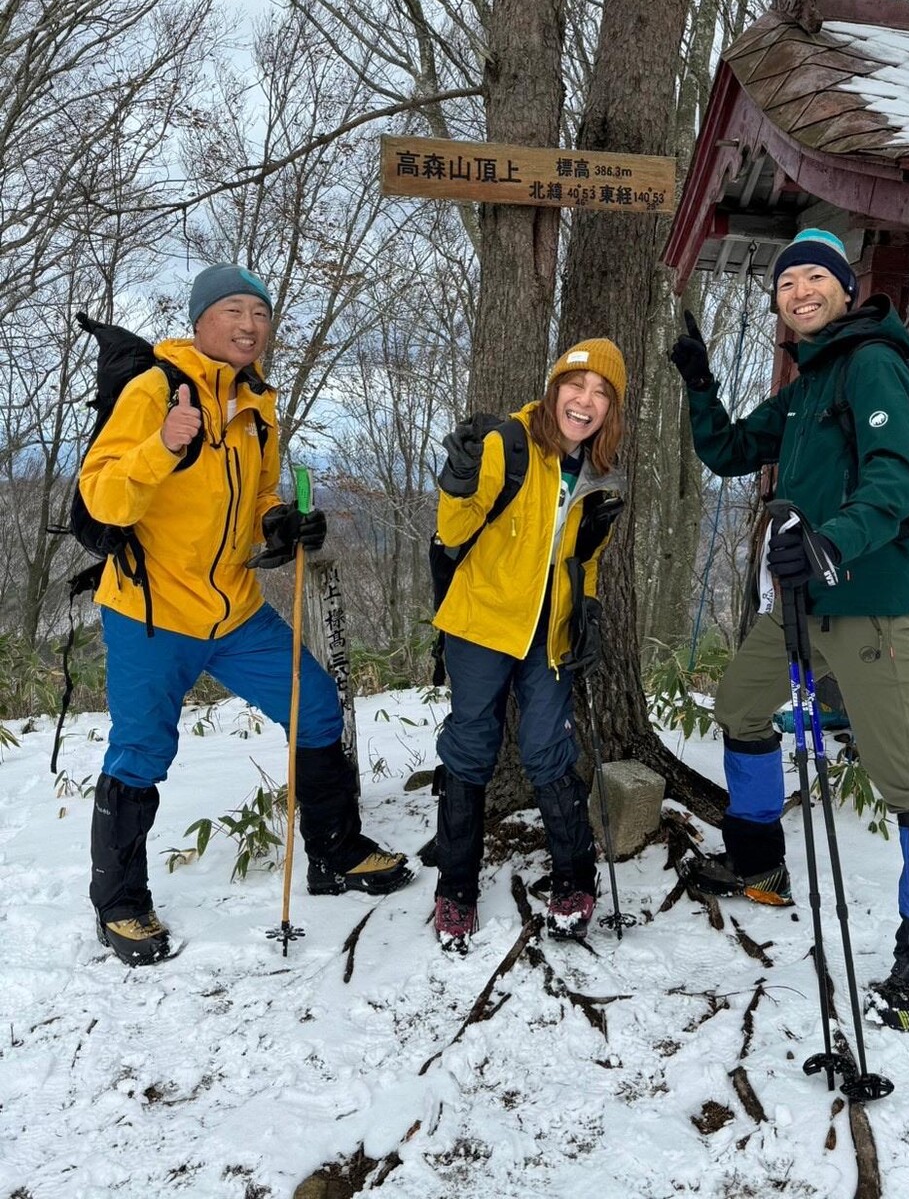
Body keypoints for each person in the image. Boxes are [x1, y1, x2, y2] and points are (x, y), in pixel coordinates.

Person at [669, 229, 909, 1032]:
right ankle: (760, 861)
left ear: (843, 288)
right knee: (739, 705)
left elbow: (896, 478)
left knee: (906, 777)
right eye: (787, 280)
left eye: (814, 277)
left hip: (867, 599)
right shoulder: (809, 382)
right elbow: (728, 452)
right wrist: (700, 383)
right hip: (797, 601)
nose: (798, 290)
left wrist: (834, 540)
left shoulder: (872, 363)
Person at [80, 264, 412, 967]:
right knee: (142, 752)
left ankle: (334, 853)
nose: (248, 325)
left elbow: (260, 495)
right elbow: (104, 499)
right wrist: (163, 444)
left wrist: (283, 525)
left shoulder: (259, 403)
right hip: (151, 612)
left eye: (259, 314)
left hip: (234, 611)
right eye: (233, 310)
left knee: (316, 708)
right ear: (200, 320)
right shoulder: (153, 390)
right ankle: (119, 904)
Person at [431, 340, 627, 952]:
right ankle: (455, 889)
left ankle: (575, 879)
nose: (585, 401)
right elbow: (452, 530)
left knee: (546, 747)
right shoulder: (508, 445)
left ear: (610, 410)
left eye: (601, 393)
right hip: (481, 622)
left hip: (550, 632)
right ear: (555, 389)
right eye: (576, 385)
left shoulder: (600, 473)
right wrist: (460, 482)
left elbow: (584, 560)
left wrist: (586, 613)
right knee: (470, 746)